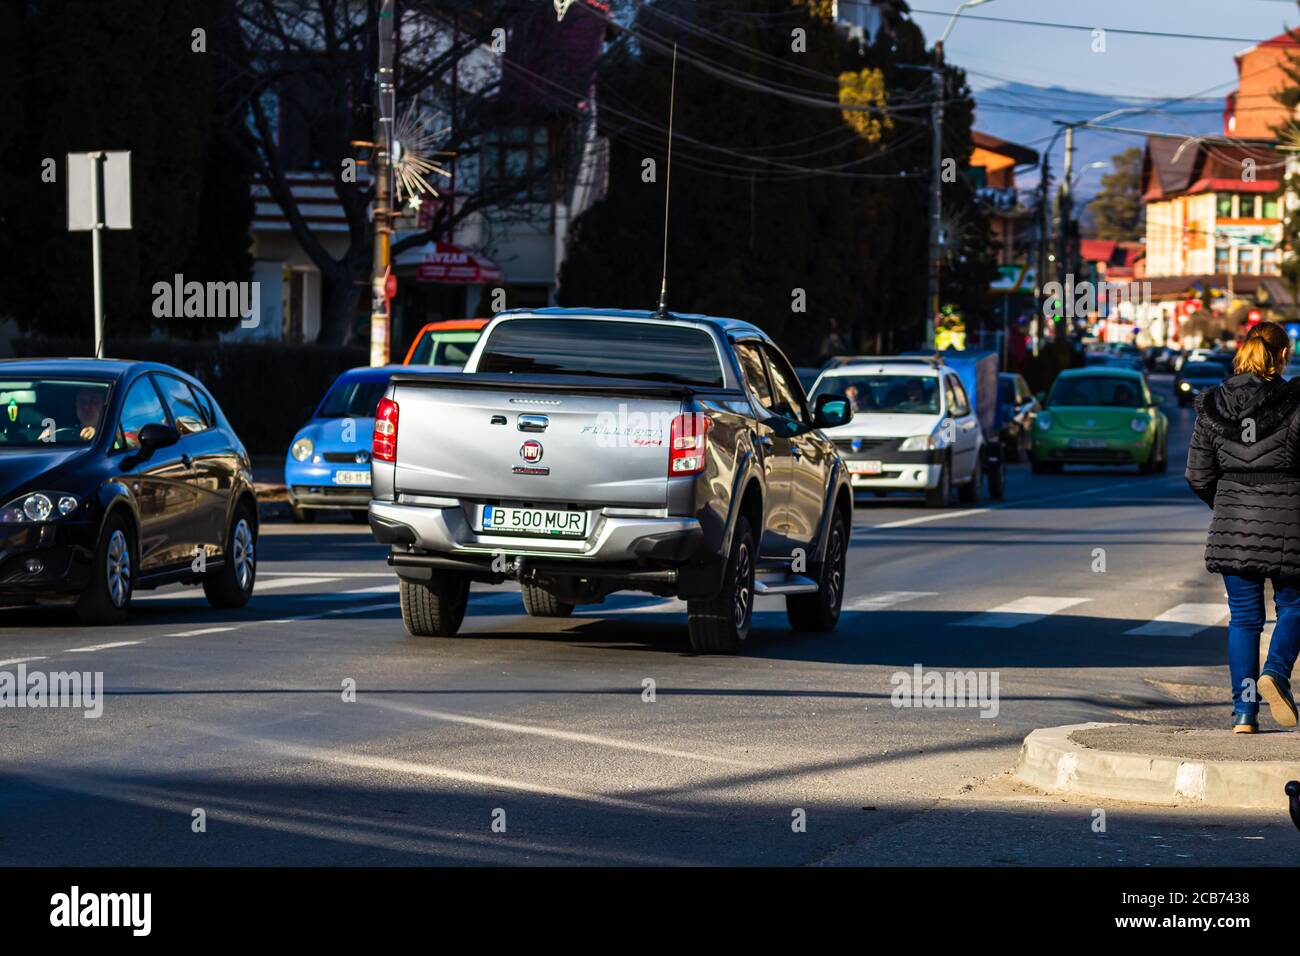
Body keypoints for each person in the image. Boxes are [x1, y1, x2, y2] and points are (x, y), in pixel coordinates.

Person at [1186, 321, 1300, 734]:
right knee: (1294, 606)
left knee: (1244, 620)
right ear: (1283, 355)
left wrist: (1230, 505)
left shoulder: (1212, 404)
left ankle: (1244, 713)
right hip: (1291, 522)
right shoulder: (1295, 401)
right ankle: (1277, 672)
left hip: (1233, 526)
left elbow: (1197, 474)